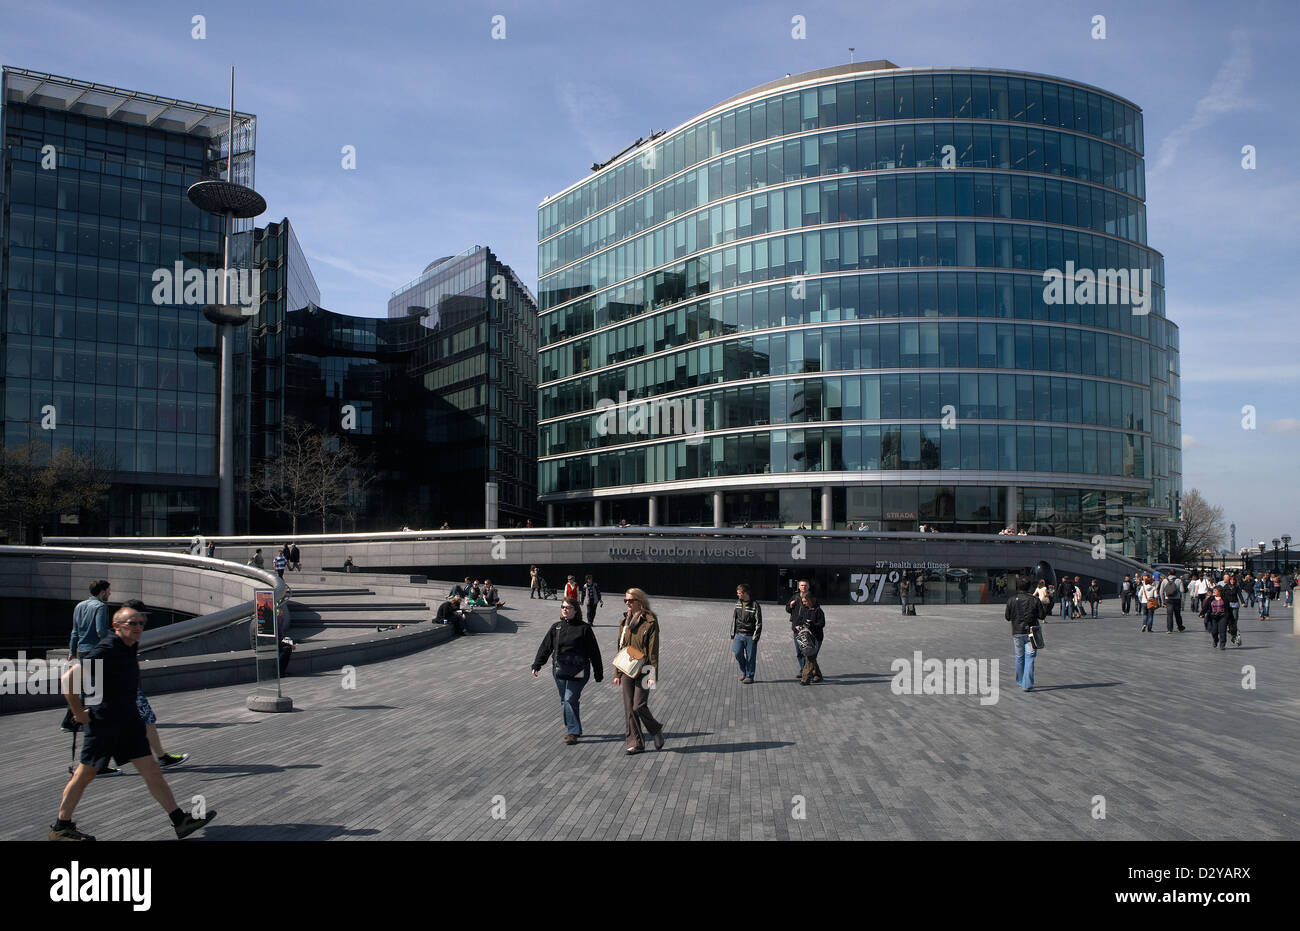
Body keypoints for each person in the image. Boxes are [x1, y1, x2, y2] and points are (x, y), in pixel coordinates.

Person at [50, 605, 215, 841]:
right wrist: (78, 714)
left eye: (140, 623)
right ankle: (60, 827)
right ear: (116, 626)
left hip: (128, 723)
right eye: (132, 623)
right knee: (84, 775)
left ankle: (180, 821)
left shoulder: (130, 645)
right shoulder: (106, 649)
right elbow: (68, 680)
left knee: (152, 771)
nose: (138, 628)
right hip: (105, 726)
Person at [531, 597, 604, 744]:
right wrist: (537, 665)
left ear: (575, 610)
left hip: (579, 670)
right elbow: (546, 647)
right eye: (563, 607)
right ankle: (574, 728)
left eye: (568, 607)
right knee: (566, 701)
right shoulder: (556, 627)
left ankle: (572, 732)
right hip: (560, 670)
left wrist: (598, 672)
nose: (565, 609)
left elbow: (594, 652)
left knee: (569, 698)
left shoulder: (584, 629)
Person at [614, 588, 664, 754]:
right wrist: (617, 673)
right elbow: (620, 648)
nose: (627, 603)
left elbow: (653, 652)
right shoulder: (624, 622)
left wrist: (652, 674)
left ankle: (655, 729)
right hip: (627, 669)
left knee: (639, 705)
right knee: (629, 707)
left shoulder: (650, 622)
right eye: (626, 600)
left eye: (630, 600)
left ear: (639, 601)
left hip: (644, 669)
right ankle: (635, 743)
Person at [1005, 575, 1046, 691]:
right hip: (1031, 632)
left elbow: (1007, 617)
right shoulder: (1034, 600)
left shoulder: (1011, 600)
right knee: (1030, 657)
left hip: (1017, 632)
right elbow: (1042, 615)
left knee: (1019, 656)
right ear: (1029, 587)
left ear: (1018, 586)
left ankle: (1020, 681)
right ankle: (1027, 684)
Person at [730, 583, 762, 684]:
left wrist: (755, 637)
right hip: (739, 634)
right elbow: (734, 618)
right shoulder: (738, 603)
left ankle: (749, 676)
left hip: (750, 636)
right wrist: (732, 633)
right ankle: (743, 670)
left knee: (750, 657)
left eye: (739, 593)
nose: (737, 595)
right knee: (737, 653)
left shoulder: (755, 605)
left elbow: (759, 622)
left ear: (745, 593)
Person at [792, 593, 825, 685]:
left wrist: (812, 625)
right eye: (803, 602)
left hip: (816, 638)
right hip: (806, 637)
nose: (804, 603)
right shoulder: (803, 609)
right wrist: (796, 627)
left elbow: (822, 624)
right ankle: (818, 675)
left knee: (810, 657)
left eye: (806, 601)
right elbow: (798, 620)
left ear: (810, 600)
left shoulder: (818, 611)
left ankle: (805, 679)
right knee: (811, 656)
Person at [785, 579, 814, 674]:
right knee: (799, 651)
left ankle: (808, 671)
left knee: (808, 651)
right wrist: (790, 605)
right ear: (799, 586)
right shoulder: (795, 596)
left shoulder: (812, 597)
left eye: (805, 585)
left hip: (808, 629)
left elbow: (816, 611)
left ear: (808, 587)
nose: (803, 587)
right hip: (797, 628)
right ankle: (803, 670)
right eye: (802, 585)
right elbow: (788, 609)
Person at [1200, 585, 1231, 650]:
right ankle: (1215, 640)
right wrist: (1202, 613)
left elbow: (1228, 609)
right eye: (1214, 590)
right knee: (1214, 631)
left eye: (1215, 590)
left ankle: (1222, 644)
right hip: (1213, 617)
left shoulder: (1225, 599)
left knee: (1222, 631)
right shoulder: (1211, 598)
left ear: (1219, 591)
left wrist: (1230, 618)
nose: (1214, 592)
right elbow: (1206, 607)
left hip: (1222, 616)